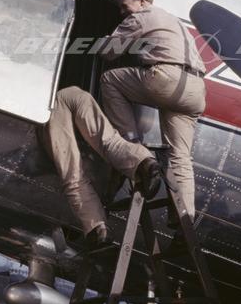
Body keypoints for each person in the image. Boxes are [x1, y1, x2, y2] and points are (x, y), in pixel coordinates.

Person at [99, 0, 206, 219]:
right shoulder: (174, 21)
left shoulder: (141, 16)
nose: (122, 12)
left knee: (110, 80)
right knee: (180, 156)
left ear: (142, 1)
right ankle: (184, 220)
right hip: (195, 90)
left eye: (125, 5)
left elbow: (109, 52)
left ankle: (132, 146)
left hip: (167, 79)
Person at [41, 86, 162, 246]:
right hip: (77, 100)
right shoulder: (79, 94)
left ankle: (98, 229)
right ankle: (145, 163)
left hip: (61, 102)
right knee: (110, 143)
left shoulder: (61, 97)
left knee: (72, 174)